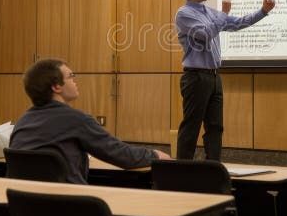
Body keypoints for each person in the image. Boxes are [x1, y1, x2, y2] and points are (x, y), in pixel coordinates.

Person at [10, 58, 170, 184]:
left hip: (27, 214)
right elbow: (121, 155)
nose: (75, 80)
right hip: (70, 210)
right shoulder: (76, 120)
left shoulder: (23, 121)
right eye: (71, 76)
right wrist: (155, 154)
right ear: (56, 87)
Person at [174, 0, 275, 161]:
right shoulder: (184, 14)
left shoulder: (210, 12)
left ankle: (213, 167)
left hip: (213, 77)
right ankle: (181, 170)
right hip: (195, 77)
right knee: (192, 126)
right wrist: (224, 13)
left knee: (215, 126)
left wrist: (263, 12)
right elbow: (205, 34)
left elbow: (237, 24)